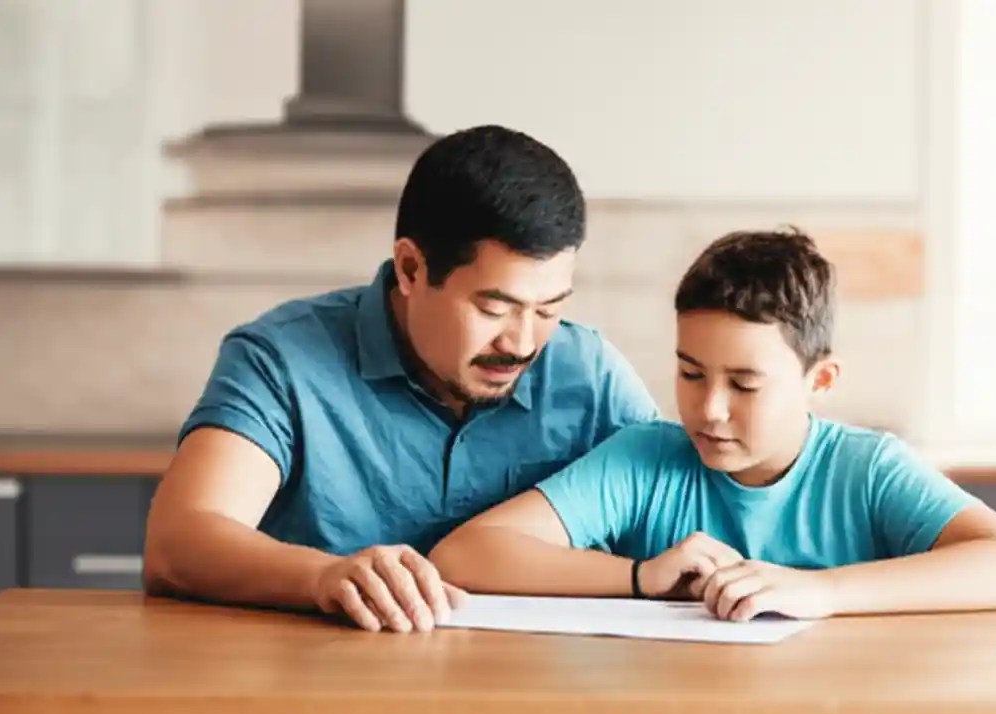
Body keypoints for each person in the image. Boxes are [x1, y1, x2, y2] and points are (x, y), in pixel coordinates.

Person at [143, 125, 658, 632]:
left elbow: (687, 518)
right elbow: (179, 543)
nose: (522, 344)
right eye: (494, 308)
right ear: (411, 268)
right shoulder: (283, 359)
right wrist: (324, 577)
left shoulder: (588, 373)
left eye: (548, 309)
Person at [430, 229, 996, 621]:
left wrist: (822, 592)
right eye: (691, 373)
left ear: (820, 380)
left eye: (745, 384)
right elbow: (462, 555)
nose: (710, 409)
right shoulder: (644, 458)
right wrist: (640, 578)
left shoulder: (867, 469)